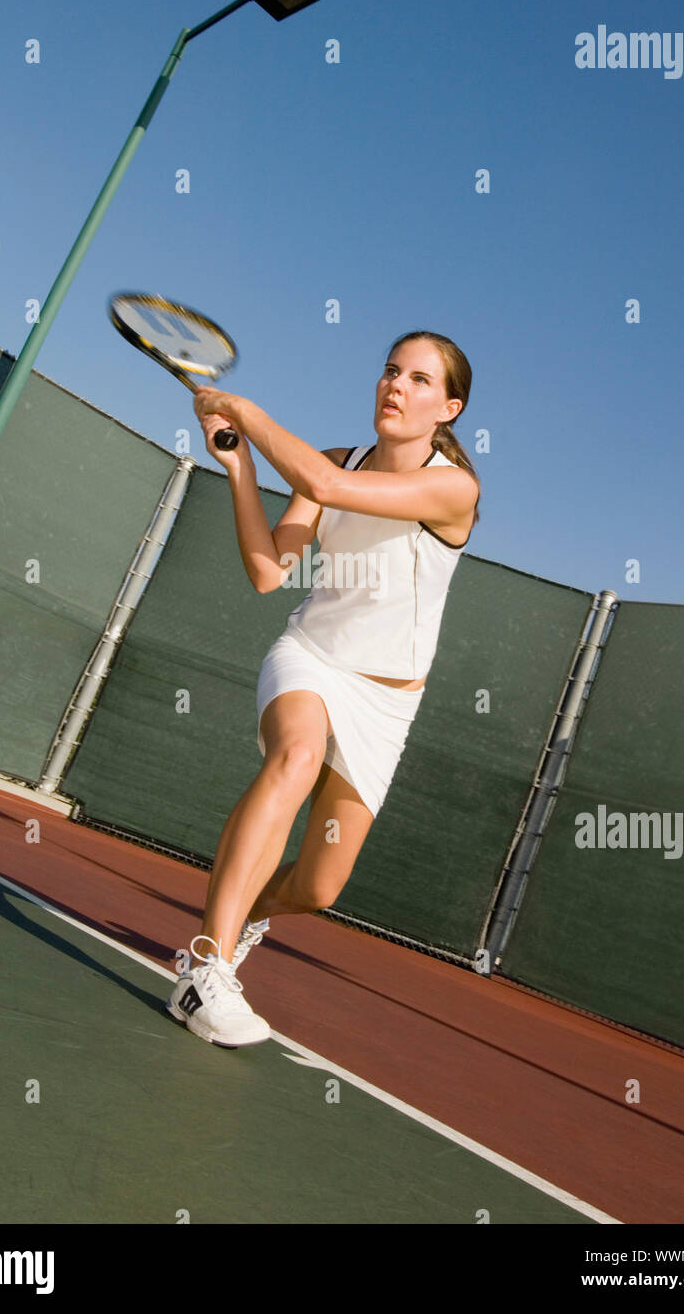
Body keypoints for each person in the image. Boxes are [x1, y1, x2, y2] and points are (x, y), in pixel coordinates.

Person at [166, 330, 480, 1047]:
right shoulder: (334, 463)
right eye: (390, 371)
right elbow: (269, 572)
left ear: (447, 408)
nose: (395, 386)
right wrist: (240, 466)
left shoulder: (451, 488)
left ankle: (242, 920)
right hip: (310, 659)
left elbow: (328, 487)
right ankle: (205, 968)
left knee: (316, 887)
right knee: (296, 757)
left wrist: (245, 412)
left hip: (387, 701)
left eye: (419, 380)